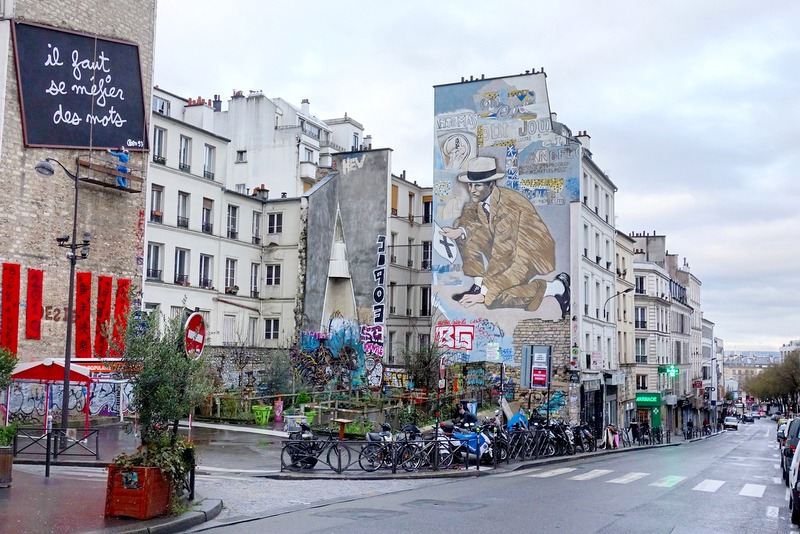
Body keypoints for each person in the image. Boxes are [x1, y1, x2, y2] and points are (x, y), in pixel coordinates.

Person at [439, 156, 570, 318]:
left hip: (529, 252)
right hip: (505, 247)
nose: (472, 190)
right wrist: (460, 232)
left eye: (477, 185)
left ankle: (557, 287)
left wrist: (485, 293)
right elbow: (469, 220)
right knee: (461, 225)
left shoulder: (508, 206)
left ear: (491, 185)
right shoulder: (479, 201)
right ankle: (477, 286)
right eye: (470, 185)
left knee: (492, 299)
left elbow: (503, 254)